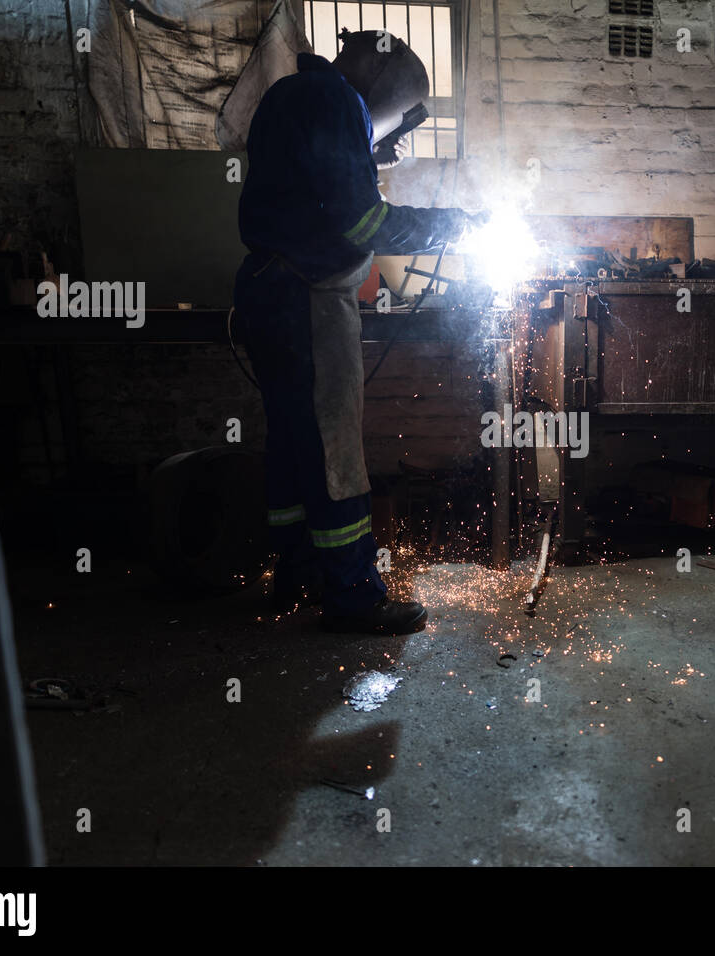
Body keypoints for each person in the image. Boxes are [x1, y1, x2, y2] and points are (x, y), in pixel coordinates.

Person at [234, 30, 478, 635]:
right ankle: (353, 594)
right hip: (309, 299)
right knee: (334, 445)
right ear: (381, 93)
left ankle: (296, 575)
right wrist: (457, 224)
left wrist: (362, 159)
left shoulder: (290, 94)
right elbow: (365, 221)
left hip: (265, 291)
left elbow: (306, 190)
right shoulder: (342, 101)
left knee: (294, 443)